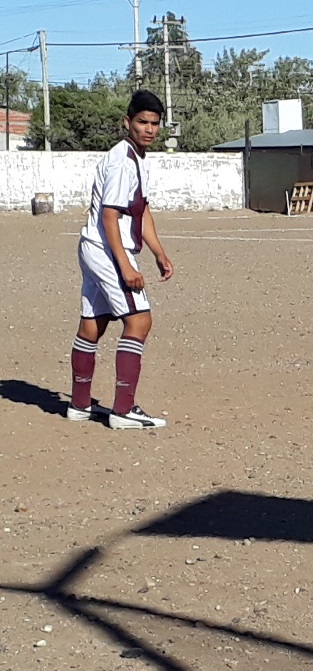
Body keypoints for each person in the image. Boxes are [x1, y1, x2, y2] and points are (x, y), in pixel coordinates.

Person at [68, 89, 175, 430]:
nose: (149, 129)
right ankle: (123, 410)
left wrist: (159, 252)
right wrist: (126, 266)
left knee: (94, 321)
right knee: (140, 321)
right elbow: (110, 216)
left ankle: (80, 406)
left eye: (155, 123)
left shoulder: (135, 158)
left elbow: (141, 212)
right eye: (142, 122)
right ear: (127, 122)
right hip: (106, 249)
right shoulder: (122, 161)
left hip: (93, 246)